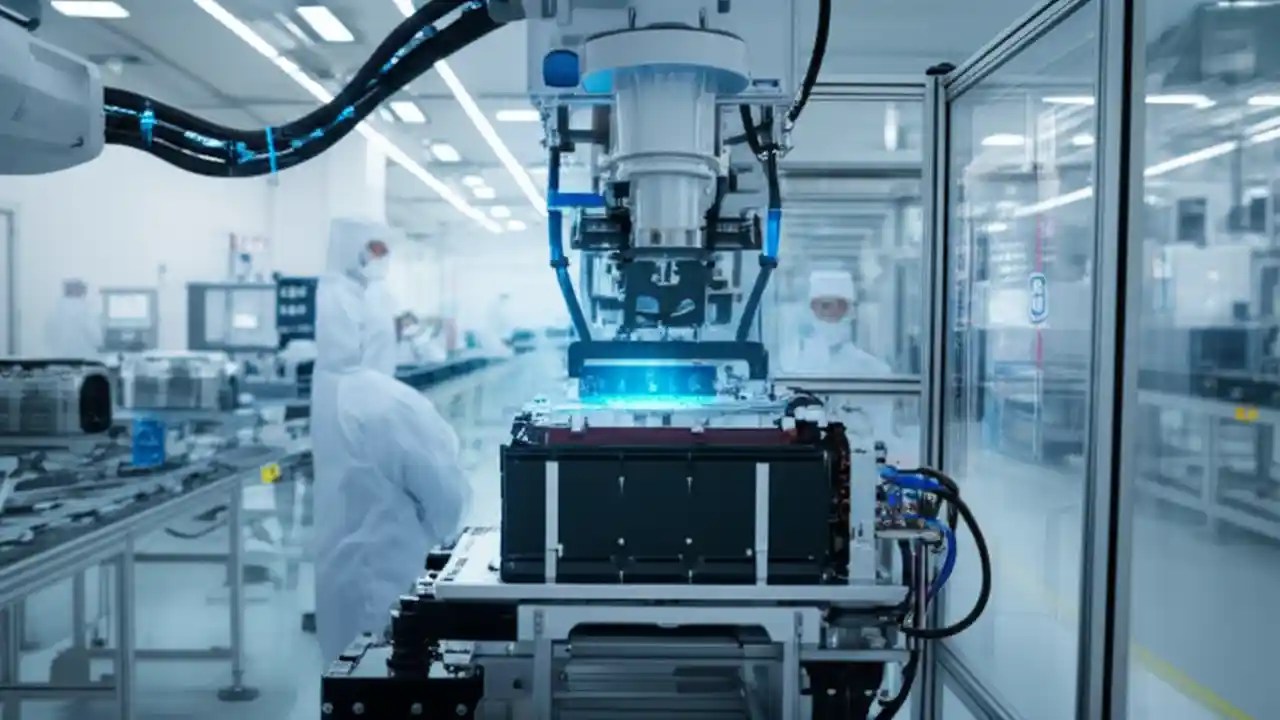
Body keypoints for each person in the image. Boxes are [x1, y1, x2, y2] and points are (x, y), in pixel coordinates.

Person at [310, 219, 471, 665]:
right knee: (381, 677)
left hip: (341, 576)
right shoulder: (383, 403)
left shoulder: (331, 389)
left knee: (344, 675)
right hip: (385, 578)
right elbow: (447, 501)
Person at [782, 269, 897, 443]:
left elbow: (882, 435)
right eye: (824, 306)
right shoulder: (790, 365)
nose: (831, 314)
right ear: (811, 309)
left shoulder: (873, 370)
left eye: (840, 306)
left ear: (850, 310)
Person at [46, 279, 101, 358]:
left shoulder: (52, 313)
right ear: (80, 291)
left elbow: (49, 341)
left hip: (57, 362)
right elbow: (97, 340)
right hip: (83, 363)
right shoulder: (85, 311)